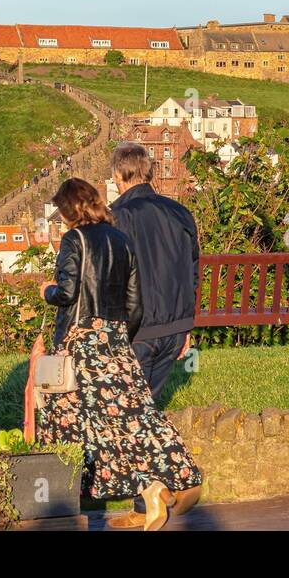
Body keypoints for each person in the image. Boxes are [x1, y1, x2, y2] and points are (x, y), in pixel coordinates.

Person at [34, 177, 203, 531]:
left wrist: (46, 290)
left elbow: (66, 292)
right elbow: (135, 303)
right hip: (115, 339)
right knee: (132, 414)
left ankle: (64, 503)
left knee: (69, 418)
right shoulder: (121, 240)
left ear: (70, 210)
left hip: (82, 343)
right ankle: (163, 482)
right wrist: (119, 336)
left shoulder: (73, 240)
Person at [108, 140, 204, 518]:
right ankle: (167, 488)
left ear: (119, 176)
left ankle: (159, 494)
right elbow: (192, 270)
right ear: (148, 173)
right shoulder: (180, 212)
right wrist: (187, 325)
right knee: (143, 410)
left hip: (138, 329)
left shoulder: (116, 217)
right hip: (176, 326)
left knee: (130, 416)